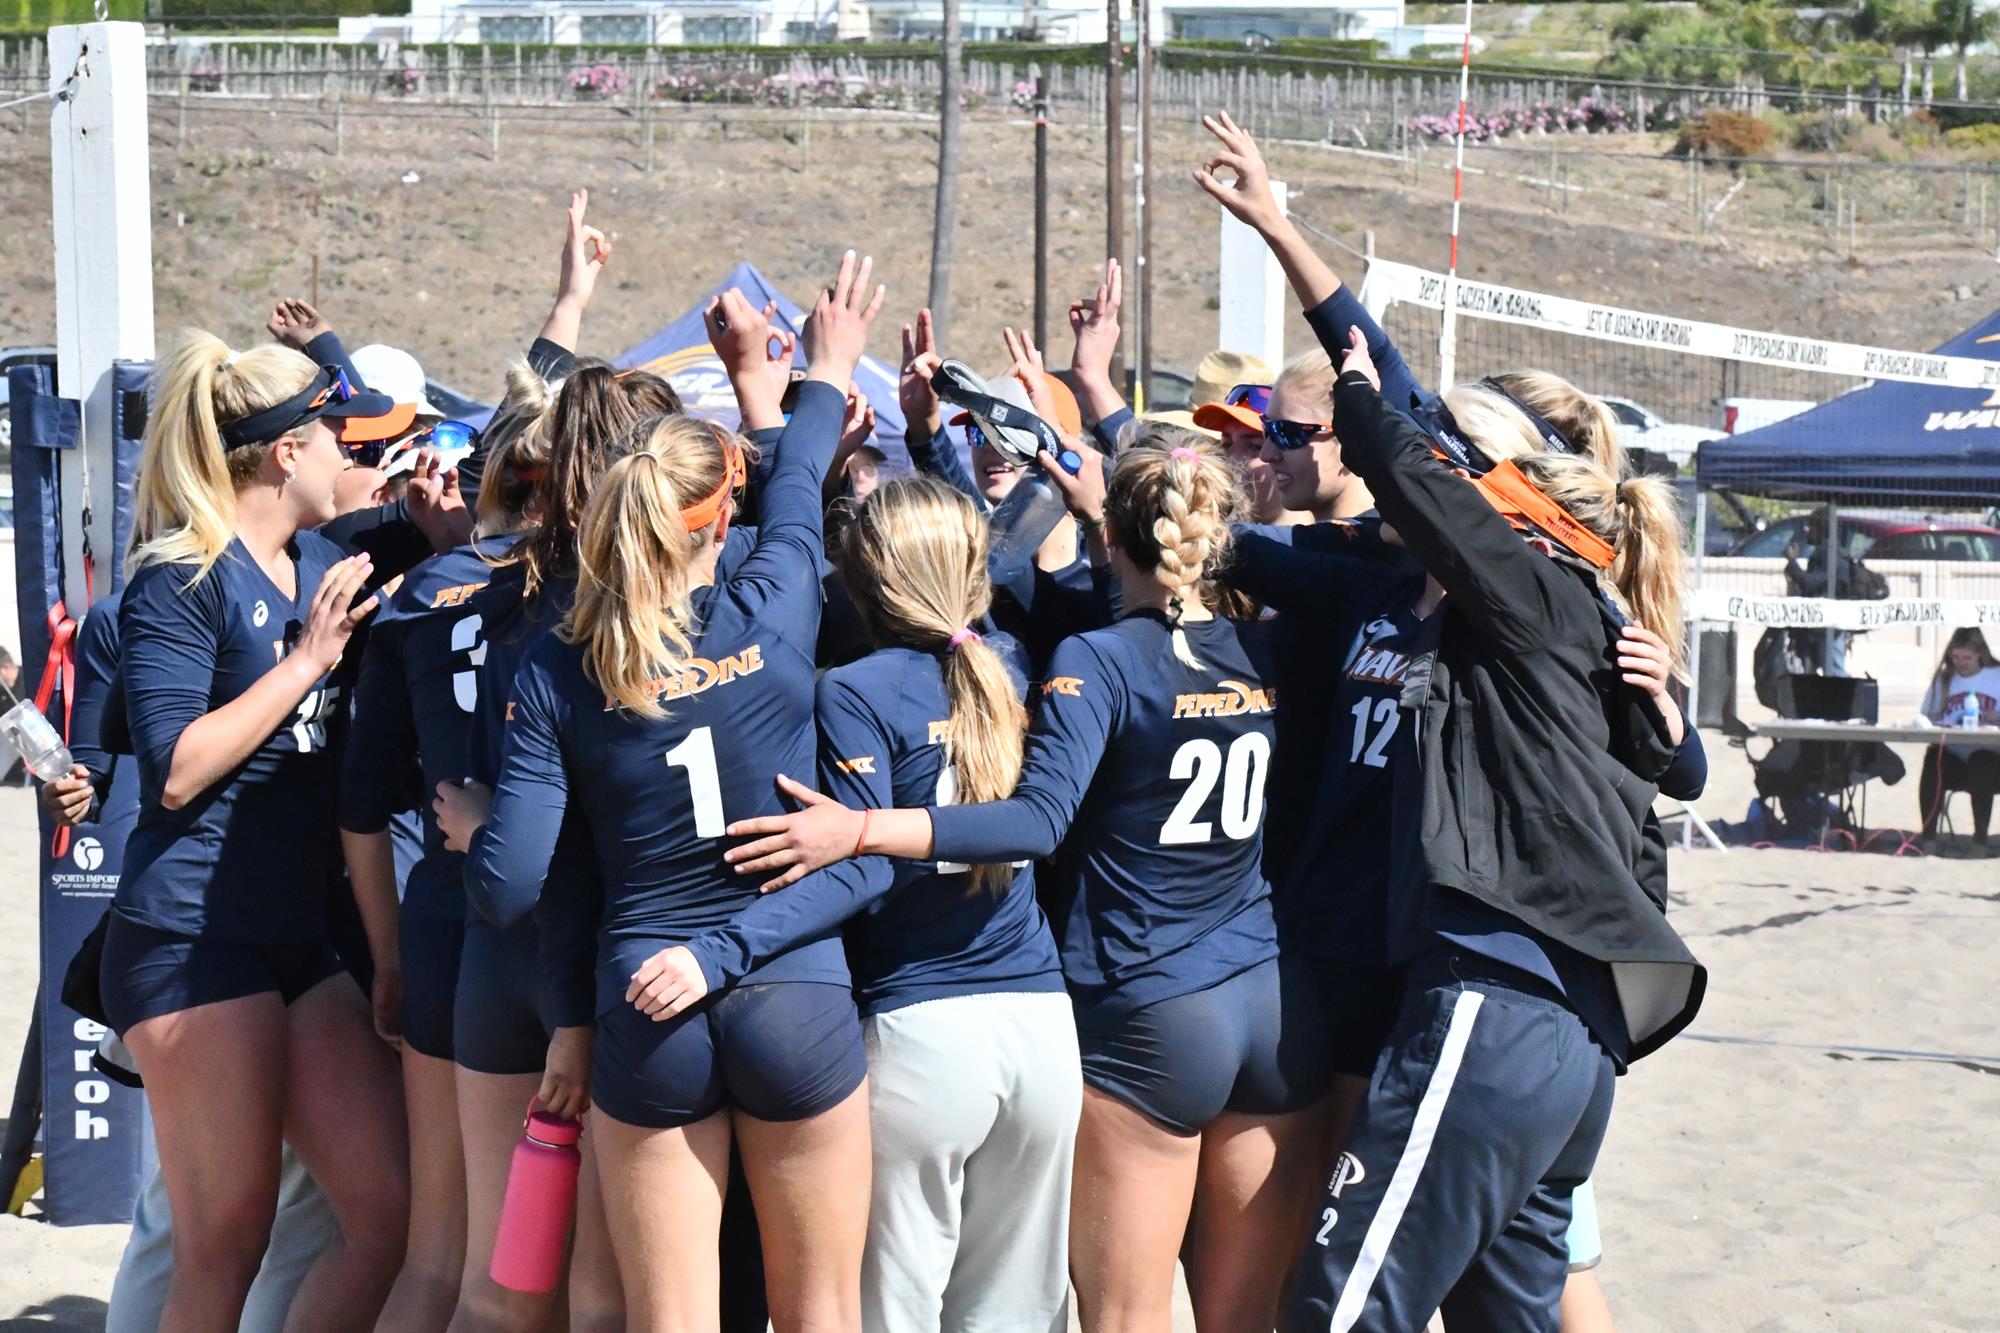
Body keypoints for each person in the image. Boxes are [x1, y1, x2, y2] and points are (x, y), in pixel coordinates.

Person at [723, 432, 1336, 1332]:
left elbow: (1041, 818)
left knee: (1125, 1314)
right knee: (1242, 1316)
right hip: (1273, 995)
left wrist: (859, 827)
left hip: (1153, 1001)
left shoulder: (1094, 657)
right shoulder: (1268, 647)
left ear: (1110, 538)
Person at [442, 251, 883, 1331]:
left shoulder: (559, 662)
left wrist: (482, 830)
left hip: (646, 999)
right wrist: (822, 369)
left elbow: (507, 888)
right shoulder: (775, 599)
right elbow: (798, 478)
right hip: (791, 981)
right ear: (720, 520)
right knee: (821, 1312)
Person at [1275, 328, 1704, 1332]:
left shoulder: (1526, 585)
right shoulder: (1579, 610)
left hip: (1495, 1007)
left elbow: (1406, 469)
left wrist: (1356, 389)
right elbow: (1676, 765)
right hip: (1574, 1038)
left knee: (1340, 1307)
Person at [627, 475, 1081, 1332]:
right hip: (1042, 1029)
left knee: (888, 1315)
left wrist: (859, 832)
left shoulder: (855, 688)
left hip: (923, 1033)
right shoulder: (1009, 663)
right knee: (1016, 1316)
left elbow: (857, 867)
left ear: (864, 579)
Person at [101, 331, 410, 1329]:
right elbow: (175, 770)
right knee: (224, 1243)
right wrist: (306, 661)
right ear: (285, 452)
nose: (348, 453)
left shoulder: (321, 561)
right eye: (334, 436)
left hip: (295, 938)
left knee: (390, 1211)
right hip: (192, 939)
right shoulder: (181, 576)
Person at [339, 370, 554, 1332]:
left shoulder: (422, 592)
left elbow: (360, 806)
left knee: (437, 1256)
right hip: (542, 921)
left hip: (436, 914)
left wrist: (388, 958)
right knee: (531, 1273)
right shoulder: (582, 588)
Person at [1919, 626, 2000, 843]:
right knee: (1933, 760)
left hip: (1991, 758)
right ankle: (1928, 838)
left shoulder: (1996, 676)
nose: (1960, 663)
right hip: (1953, 754)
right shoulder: (1944, 679)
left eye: (1967, 658)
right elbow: (1925, 718)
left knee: (1982, 760)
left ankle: (1980, 840)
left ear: (1980, 654)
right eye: (1955, 657)